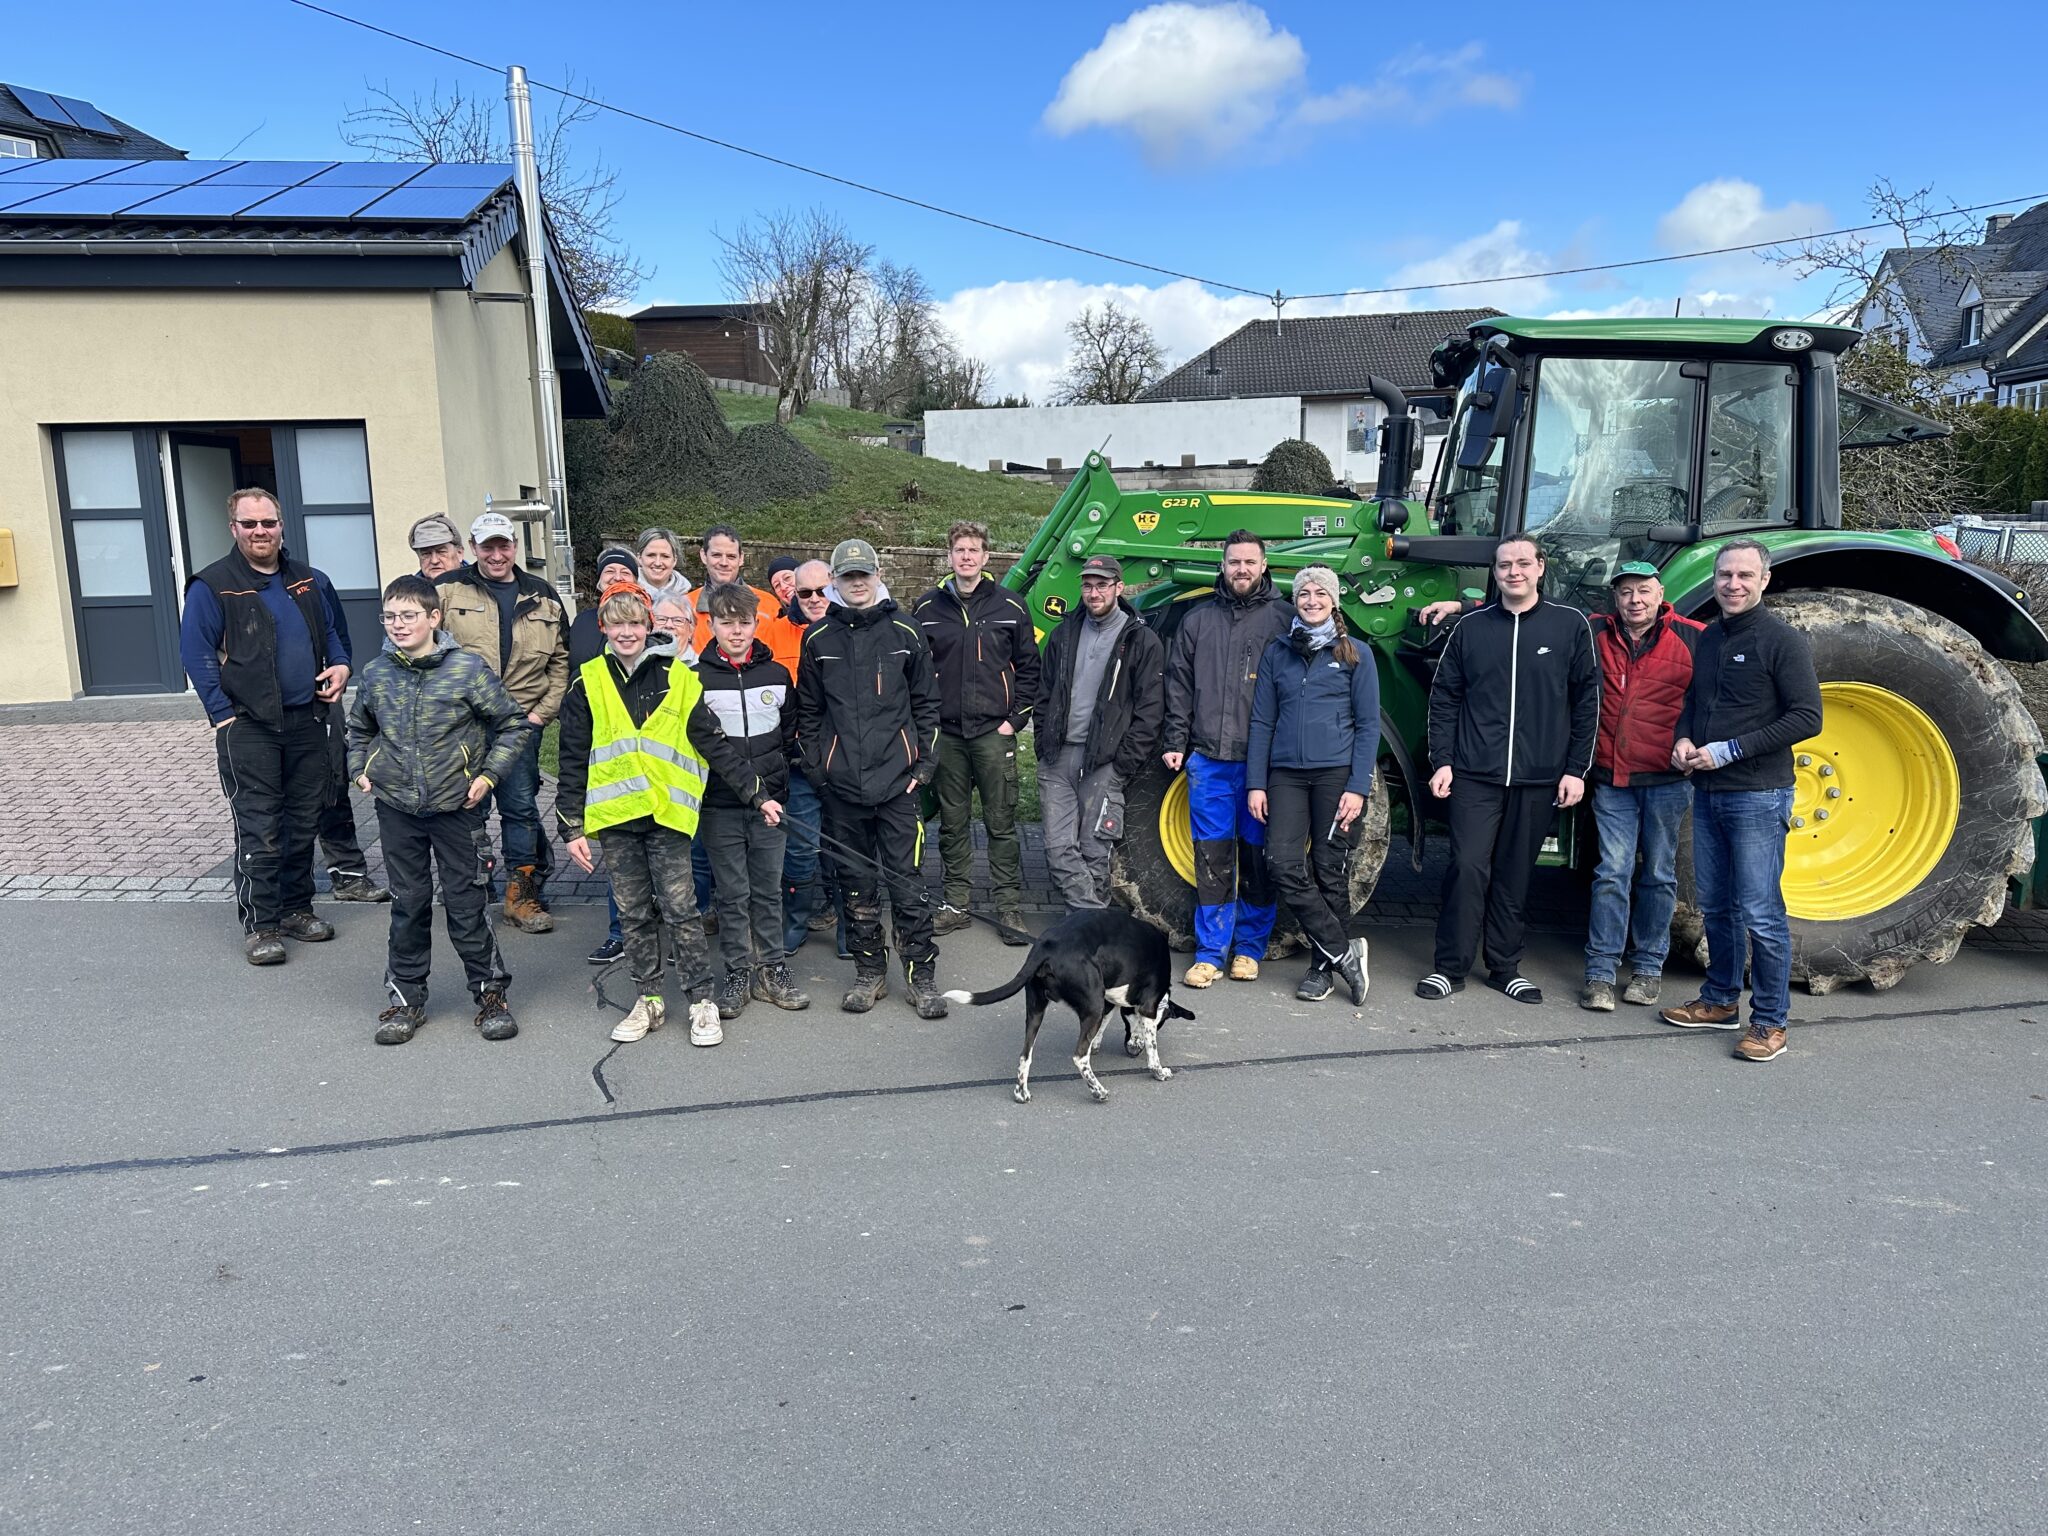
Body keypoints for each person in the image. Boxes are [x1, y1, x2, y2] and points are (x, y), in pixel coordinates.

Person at [1415, 536, 1599, 1005]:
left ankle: (1504, 966)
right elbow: (1445, 698)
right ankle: (1449, 967)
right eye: (1503, 565)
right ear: (1493, 574)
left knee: (1515, 873)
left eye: (1522, 563)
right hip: (1475, 774)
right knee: (1467, 866)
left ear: (1540, 567)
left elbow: (1586, 702)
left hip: (1539, 777)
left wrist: (1576, 769)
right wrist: (1443, 761)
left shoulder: (1569, 625)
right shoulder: (1472, 627)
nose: (1513, 572)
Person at [346, 574, 527, 1045]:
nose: (397, 624)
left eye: (408, 615)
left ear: (434, 618)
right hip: (396, 808)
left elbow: (512, 725)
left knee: (467, 904)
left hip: (457, 808)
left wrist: (487, 777)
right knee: (408, 904)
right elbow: (358, 728)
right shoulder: (376, 673)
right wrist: (361, 768)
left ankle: (490, 996)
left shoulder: (467, 670)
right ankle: (406, 1001)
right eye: (389, 616)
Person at [1661, 538, 1823, 1063]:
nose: (1733, 584)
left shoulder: (1782, 641)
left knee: (1760, 911)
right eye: (1725, 575)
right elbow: (1695, 702)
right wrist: (1684, 739)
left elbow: (1806, 717)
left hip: (1758, 794)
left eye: (1744, 576)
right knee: (1718, 907)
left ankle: (1771, 1022)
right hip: (1708, 793)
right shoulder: (1709, 638)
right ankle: (1720, 1000)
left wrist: (1729, 750)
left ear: (1764, 580)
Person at [179, 488, 351, 964]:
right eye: (250, 524)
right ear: (233, 528)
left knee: (302, 822)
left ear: (281, 525)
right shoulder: (212, 585)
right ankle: (262, 925)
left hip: (307, 721)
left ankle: (297, 909)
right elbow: (195, 653)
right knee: (260, 828)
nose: (261, 532)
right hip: (248, 727)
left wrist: (341, 666)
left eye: (268, 523)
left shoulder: (307, 579)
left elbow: (334, 633)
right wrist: (222, 714)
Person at [556, 588, 723, 1047]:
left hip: (667, 816)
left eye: (635, 624)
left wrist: (756, 792)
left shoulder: (679, 676)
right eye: (617, 624)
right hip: (617, 819)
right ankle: (648, 997)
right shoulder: (586, 681)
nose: (627, 632)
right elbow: (571, 758)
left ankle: (701, 1001)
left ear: (648, 628)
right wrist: (571, 826)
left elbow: (711, 740)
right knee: (632, 914)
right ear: (604, 630)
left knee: (682, 910)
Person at [796, 537, 948, 1018]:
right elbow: (809, 713)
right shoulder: (818, 639)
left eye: (864, 575)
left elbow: (928, 706)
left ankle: (922, 977)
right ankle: (869, 973)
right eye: (847, 576)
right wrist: (821, 772)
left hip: (899, 786)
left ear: (878, 575)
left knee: (908, 886)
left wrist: (923, 768)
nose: (856, 583)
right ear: (835, 582)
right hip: (843, 790)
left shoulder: (907, 632)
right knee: (856, 887)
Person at [1160, 530, 1295, 987]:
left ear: (1263, 565)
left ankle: (1249, 949)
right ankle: (1210, 952)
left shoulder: (1283, 619)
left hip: (1262, 765)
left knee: (1258, 856)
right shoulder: (1198, 621)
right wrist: (1177, 740)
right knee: (1212, 857)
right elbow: (1177, 686)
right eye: (1234, 562)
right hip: (1209, 762)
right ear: (1223, 565)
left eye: (1249, 562)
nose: (1241, 570)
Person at [1246, 566, 1377, 1006]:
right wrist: (1255, 784)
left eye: (1321, 593)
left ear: (1334, 601)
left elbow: (1368, 724)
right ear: (1295, 600)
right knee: (1281, 862)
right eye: (1304, 593)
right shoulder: (1277, 653)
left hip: (1335, 775)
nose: (1312, 599)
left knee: (1329, 869)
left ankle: (1321, 968)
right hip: (1284, 774)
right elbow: (1262, 720)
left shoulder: (1356, 653)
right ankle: (1342, 951)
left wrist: (1358, 787)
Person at [1578, 563, 1704, 1012]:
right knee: (1611, 871)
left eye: (1643, 591)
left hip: (1668, 780)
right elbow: (1534, 612)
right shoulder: (1594, 631)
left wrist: (1699, 745)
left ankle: (1649, 969)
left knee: (1657, 874)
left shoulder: (1693, 636)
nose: (1635, 600)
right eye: (1626, 591)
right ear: (1616, 598)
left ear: (1660, 594)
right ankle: (1600, 973)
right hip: (1612, 777)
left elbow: (1717, 694)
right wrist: (1463, 605)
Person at [436, 511, 570, 935]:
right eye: (487, 546)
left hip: (521, 725)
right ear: (473, 548)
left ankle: (521, 895)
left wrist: (539, 715)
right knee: (466, 809)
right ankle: (471, 892)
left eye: (504, 545)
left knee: (521, 811)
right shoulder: (444, 590)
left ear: (515, 546)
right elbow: (421, 651)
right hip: (464, 726)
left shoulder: (543, 595)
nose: (496, 554)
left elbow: (562, 663)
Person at [913, 521, 1039, 944]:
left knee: (1002, 824)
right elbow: (914, 674)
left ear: (987, 558)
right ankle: (956, 904)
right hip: (946, 735)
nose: (966, 556)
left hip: (992, 733)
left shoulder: (1011, 606)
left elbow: (1031, 670)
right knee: (953, 823)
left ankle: (1008, 908)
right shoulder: (927, 609)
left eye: (974, 550)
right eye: (959, 550)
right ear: (949, 557)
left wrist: (1013, 721)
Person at [694, 583, 810, 1018]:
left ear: (756, 624)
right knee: (732, 893)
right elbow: (706, 745)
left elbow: (789, 733)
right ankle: (739, 971)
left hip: (773, 804)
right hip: (720, 804)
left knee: (767, 891)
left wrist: (776, 783)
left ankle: (773, 968)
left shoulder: (776, 675)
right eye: (727, 622)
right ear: (711, 624)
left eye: (744, 622)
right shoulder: (697, 678)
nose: (736, 631)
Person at [1034, 554, 1165, 911]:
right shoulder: (1064, 633)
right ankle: (1093, 923)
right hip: (1058, 757)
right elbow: (1044, 693)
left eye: (1102, 584)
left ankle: (1085, 933)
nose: (1094, 592)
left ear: (1119, 588)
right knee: (1059, 848)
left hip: (1105, 762)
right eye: (1088, 585)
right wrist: (1043, 740)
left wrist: (1122, 764)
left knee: (1095, 850)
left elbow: (1150, 710)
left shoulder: (1141, 640)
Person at [566, 547, 645, 966]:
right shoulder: (581, 625)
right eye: (607, 571)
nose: (614, 575)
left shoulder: (660, 660)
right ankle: (621, 935)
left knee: (671, 876)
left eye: (623, 570)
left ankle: (660, 937)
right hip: (607, 765)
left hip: (655, 775)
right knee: (621, 868)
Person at [781, 558, 839, 954]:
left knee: (844, 845)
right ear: (793, 594)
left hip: (843, 759)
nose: (815, 599)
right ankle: (795, 920)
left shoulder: (850, 629)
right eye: (806, 593)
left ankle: (850, 923)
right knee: (800, 846)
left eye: (822, 590)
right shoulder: (774, 632)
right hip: (799, 761)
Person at [409, 514, 466, 582]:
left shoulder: (479, 585)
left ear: (459, 553)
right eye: (426, 553)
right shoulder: (407, 591)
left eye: (441, 552)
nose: (434, 561)